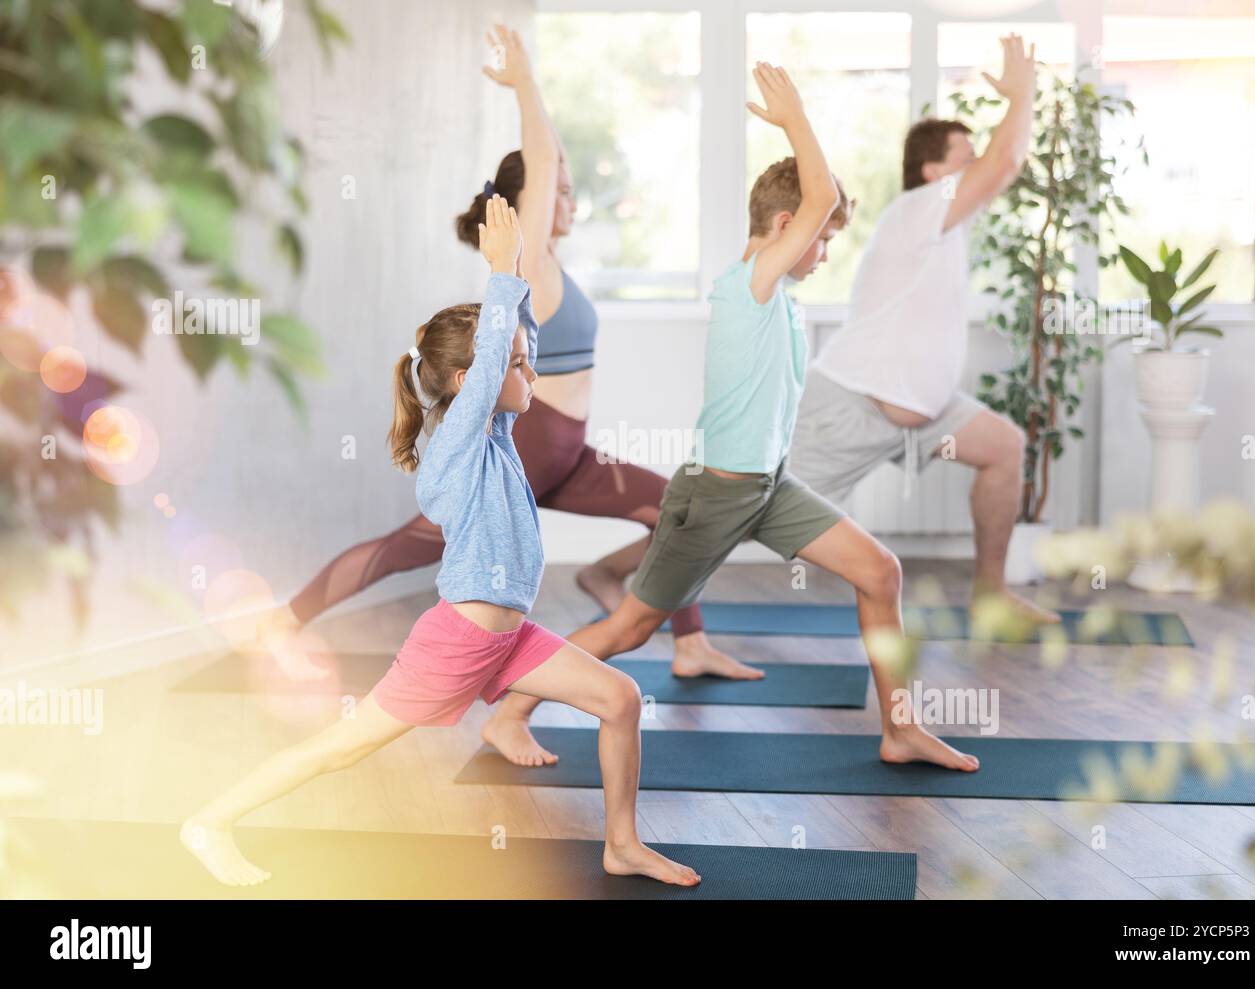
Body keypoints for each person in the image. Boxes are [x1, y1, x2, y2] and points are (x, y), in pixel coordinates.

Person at [181, 196, 701, 889]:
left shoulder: (499, 437)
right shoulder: (456, 443)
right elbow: (494, 364)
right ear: (467, 382)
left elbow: (514, 353)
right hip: (458, 641)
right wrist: (500, 274)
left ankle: (623, 843)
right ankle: (210, 821)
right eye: (518, 366)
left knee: (620, 699)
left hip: (508, 638)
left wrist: (525, 273)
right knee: (340, 751)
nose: (531, 377)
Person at [482, 62, 981, 774]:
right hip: (715, 495)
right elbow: (822, 196)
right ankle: (509, 711)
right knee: (627, 628)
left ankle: (900, 729)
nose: (826, 249)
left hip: (768, 488)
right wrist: (796, 118)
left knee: (880, 571)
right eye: (821, 238)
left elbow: (819, 206)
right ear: (785, 227)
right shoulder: (749, 282)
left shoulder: (778, 294)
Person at [258, 23, 755, 696]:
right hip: (535, 443)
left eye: (572, 190)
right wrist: (526, 84)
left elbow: (545, 167)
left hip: (566, 452)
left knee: (674, 507)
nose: (571, 200)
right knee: (403, 549)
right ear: (526, 205)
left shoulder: (553, 269)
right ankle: (284, 620)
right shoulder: (531, 264)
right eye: (562, 190)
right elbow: (541, 159)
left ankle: (678, 634)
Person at [787, 34, 1058, 624]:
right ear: (934, 171)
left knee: (1005, 447)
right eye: (965, 158)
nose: (977, 167)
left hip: (923, 411)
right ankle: (629, 576)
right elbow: (1006, 162)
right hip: (849, 407)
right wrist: (1023, 93)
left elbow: (999, 166)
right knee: (733, 513)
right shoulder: (919, 208)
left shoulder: (946, 227)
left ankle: (990, 593)